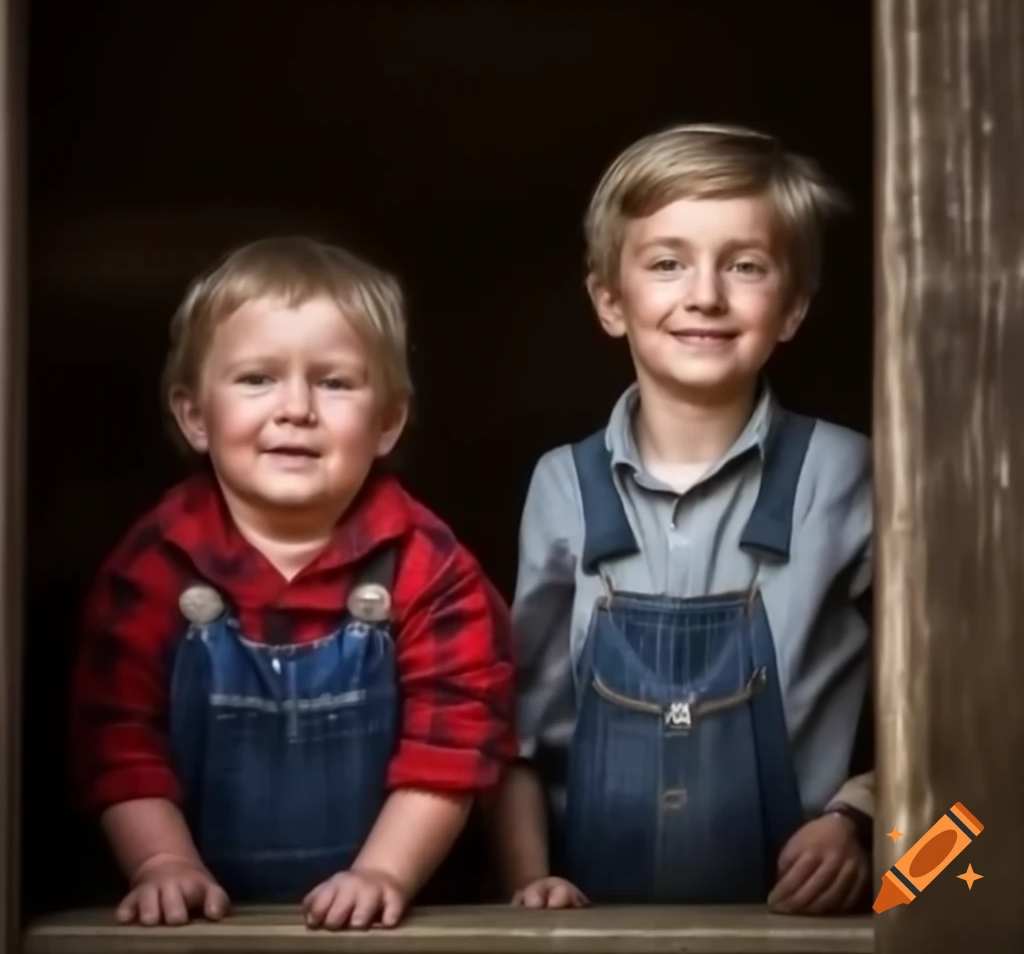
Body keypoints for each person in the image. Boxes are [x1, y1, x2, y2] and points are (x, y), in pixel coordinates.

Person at [70, 237, 516, 929]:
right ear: (195, 415)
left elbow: (452, 746)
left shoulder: (432, 566)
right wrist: (161, 864)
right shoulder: (153, 564)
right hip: (197, 925)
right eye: (257, 378)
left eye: (335, 382)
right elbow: (118, 737)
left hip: (392, 920)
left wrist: (381, 872)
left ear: (388, 421)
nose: (297, 407)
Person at [491, 124, 874, 914]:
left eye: (745, 265)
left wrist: (865, 822)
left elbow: (970, 725)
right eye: (668, 263)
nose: (705, 293)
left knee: (963, 858)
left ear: (794, 307)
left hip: (811, 932)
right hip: (594, 928)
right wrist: (528, 887)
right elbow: (516, 735)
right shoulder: (561, 486)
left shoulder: (855, 475)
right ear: (609, 300)